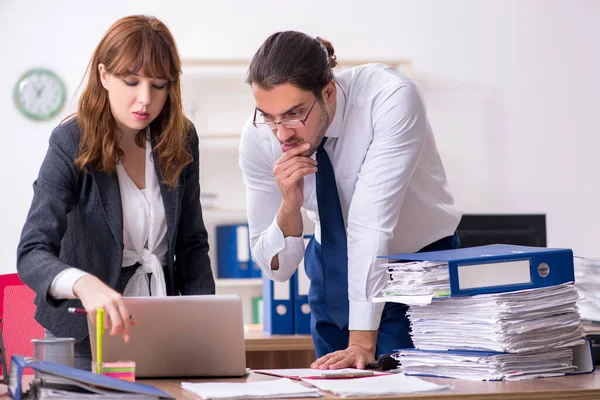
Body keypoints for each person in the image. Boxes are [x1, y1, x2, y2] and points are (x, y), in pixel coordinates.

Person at [239, 31, 462, 370]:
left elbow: (370, 224)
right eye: (269, 116)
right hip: (331, 272)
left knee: (416, 390)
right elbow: (277, 270)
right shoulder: (259, 137)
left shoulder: (390, 98)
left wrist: (360, 342)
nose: (281, 133)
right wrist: (289, 206)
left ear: (328, 92)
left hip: (419, 271)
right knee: (332, 388)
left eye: (294, 113)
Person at [17, 15, 214, 370]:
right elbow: (32, 251)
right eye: (131, 81)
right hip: (81, 334)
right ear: (104, 75)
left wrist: (208, 326)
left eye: (158, 85)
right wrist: (82, 284)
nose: (145, 99)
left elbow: (191, 244)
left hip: (162, 321)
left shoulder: (181, 138)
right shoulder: (71, 141)